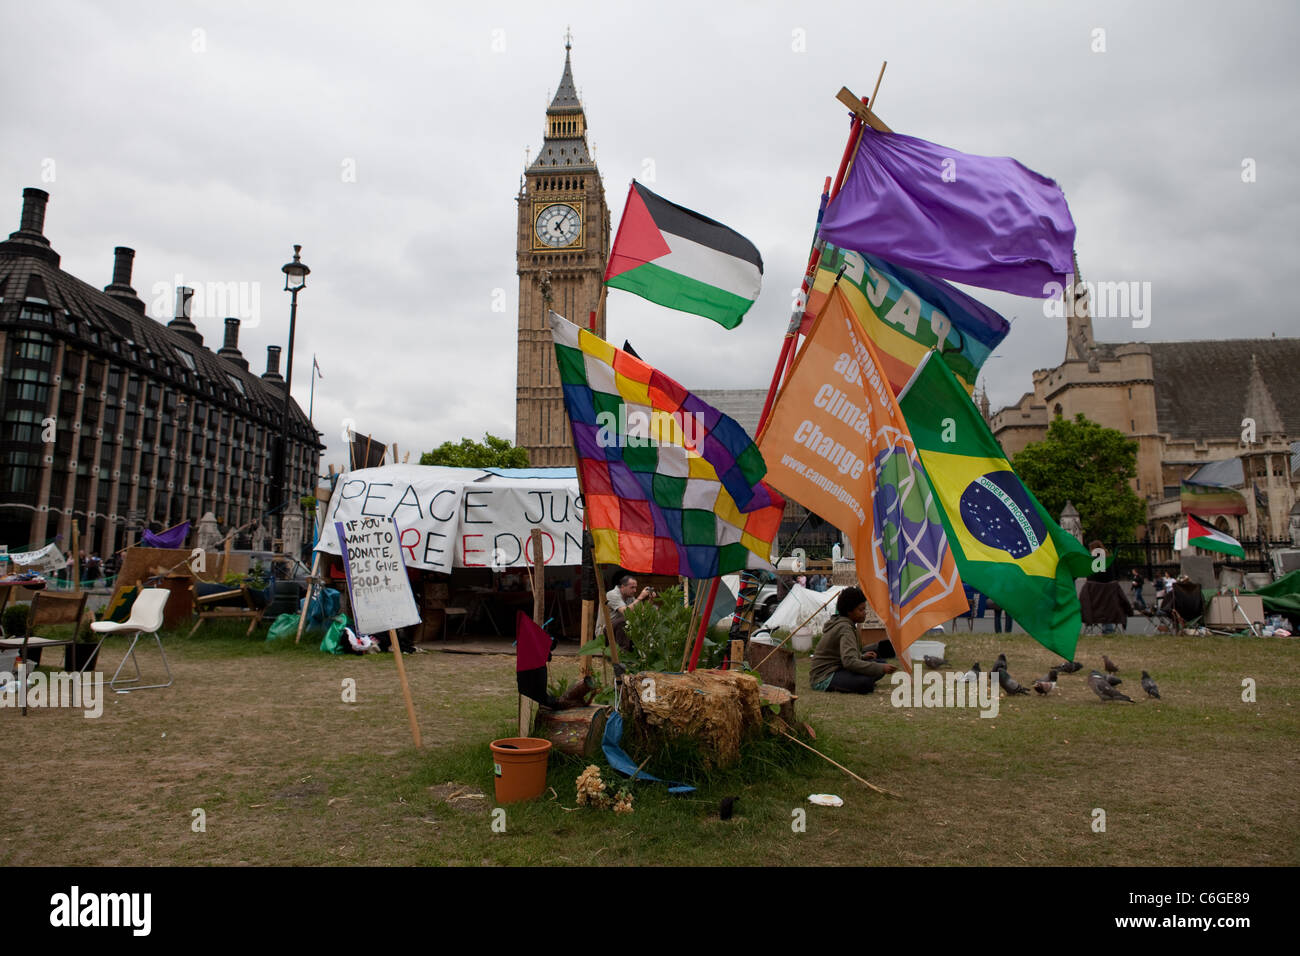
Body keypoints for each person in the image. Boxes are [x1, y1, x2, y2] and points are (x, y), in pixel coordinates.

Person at [809, 587, 897, 694]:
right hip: (824, 676)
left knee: (880, 664)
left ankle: (853, 680)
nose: (864, 613)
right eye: (861, 610)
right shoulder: (845, 628)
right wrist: (880, 668)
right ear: (849, 611)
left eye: (865, 609)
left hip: (838, 668)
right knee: (866, 683)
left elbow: (843, 655)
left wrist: (862, 657)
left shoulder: (845, 624)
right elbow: (849, 662)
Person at [605, 574, 654, 652]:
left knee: (648, 615)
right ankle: (622, 655)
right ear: (622, 587)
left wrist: (650, 600)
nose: (635, 590)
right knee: (625, 620)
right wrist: (640, 598)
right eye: (632, 587)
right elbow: (626, 613)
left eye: (635, 587)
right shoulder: (611, 594)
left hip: (622, 631)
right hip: (607, 631)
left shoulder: (630, 597)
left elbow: (641, 613)